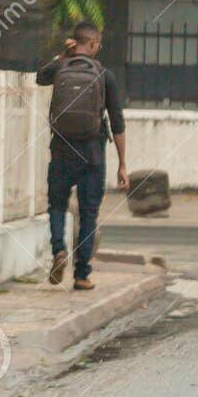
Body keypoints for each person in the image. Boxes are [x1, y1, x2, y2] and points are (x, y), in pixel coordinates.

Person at [35, 21, 127, 292]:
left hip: (62, 149)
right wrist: (123, 164)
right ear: (95, 45)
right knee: (88, 214)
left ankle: (58, 251)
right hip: (92, 153)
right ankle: (82, 275)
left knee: (57, 205)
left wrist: (63, 56)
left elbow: (40, 76)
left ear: (74, 43)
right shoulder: (104, 75)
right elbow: (118, 122)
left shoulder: (61, 68)